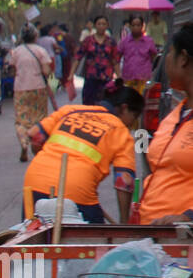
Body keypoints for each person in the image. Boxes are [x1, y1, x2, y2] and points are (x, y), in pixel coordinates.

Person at [23, 87, 142, 224]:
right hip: (77, 193)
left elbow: (35, 135)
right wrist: (124, 223)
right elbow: (124, 182)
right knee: (94, 242)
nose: (132, 124)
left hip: (35, 183)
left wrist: (49, 165)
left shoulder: (70, 110)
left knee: (31, 237)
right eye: (134, 117)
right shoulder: (121, 132)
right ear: (124, 108)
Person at [135, 23, 193, 225]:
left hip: (183, 244)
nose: (165, 60)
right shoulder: (176, 114)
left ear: (183, 59)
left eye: (169, 53)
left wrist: (188, 217)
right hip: (154, 240)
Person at [9, 25, 56, 162]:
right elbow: (47, 72)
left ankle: (24, 142)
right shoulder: (41, 51)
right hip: (38, 88)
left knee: (21, 119)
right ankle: (38, 147)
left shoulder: (16, 52)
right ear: (36, 36)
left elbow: (12, 70)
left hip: (20, 89)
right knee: (39, 119)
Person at [77, 14, 120, 105]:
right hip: (91, 77)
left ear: (107, 26)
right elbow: (78, 57)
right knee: (89, 104)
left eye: (103, 24)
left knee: (105, 104)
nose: (101, 26)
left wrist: (119, 77)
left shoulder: (111, 42)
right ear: (95, 25)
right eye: (99, 24)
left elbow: (115, 60)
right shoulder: (88, 40)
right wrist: (70, 75)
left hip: (106, 78)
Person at [119, 15, 159, 94]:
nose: (136, 27)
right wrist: (119, 75)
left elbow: (154, 58)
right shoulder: (124, 41)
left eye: (138, 25)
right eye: (133, 25)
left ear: (142, 26)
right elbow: (117, 57)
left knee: (141, 101)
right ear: (130, 26)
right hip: (128, 78)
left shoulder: (149, 41)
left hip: (144, 78)